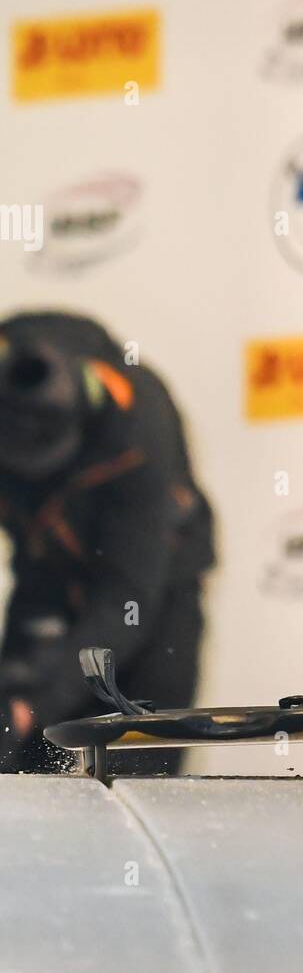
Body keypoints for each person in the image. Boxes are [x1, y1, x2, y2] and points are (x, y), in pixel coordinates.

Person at [0, 311, 215, 773]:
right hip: (48, 584)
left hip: (153, 598)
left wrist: (38, 703)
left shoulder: (141, 418)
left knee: (140, 775)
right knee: (20, 762)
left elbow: (128, 596)